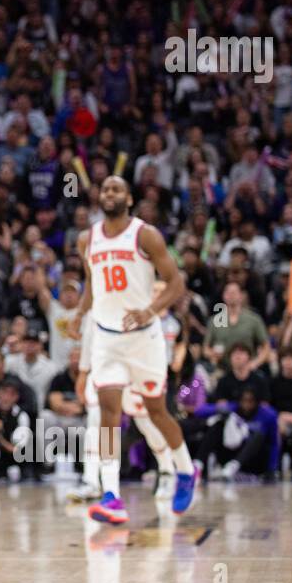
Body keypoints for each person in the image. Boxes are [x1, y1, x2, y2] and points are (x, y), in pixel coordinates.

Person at [69, 176, 196, 525]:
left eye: (117, 189)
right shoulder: (86, 240)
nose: (109, 193)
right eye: (105, 188)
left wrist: (151, 310)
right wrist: (81, 313)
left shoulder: (145, 235)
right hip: (108, 338)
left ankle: (184, 470)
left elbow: (176, 283)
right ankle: (111, 495)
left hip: (144, 337)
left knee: (156, 412)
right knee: (109, 413)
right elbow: (94, 286)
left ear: (128, 198)